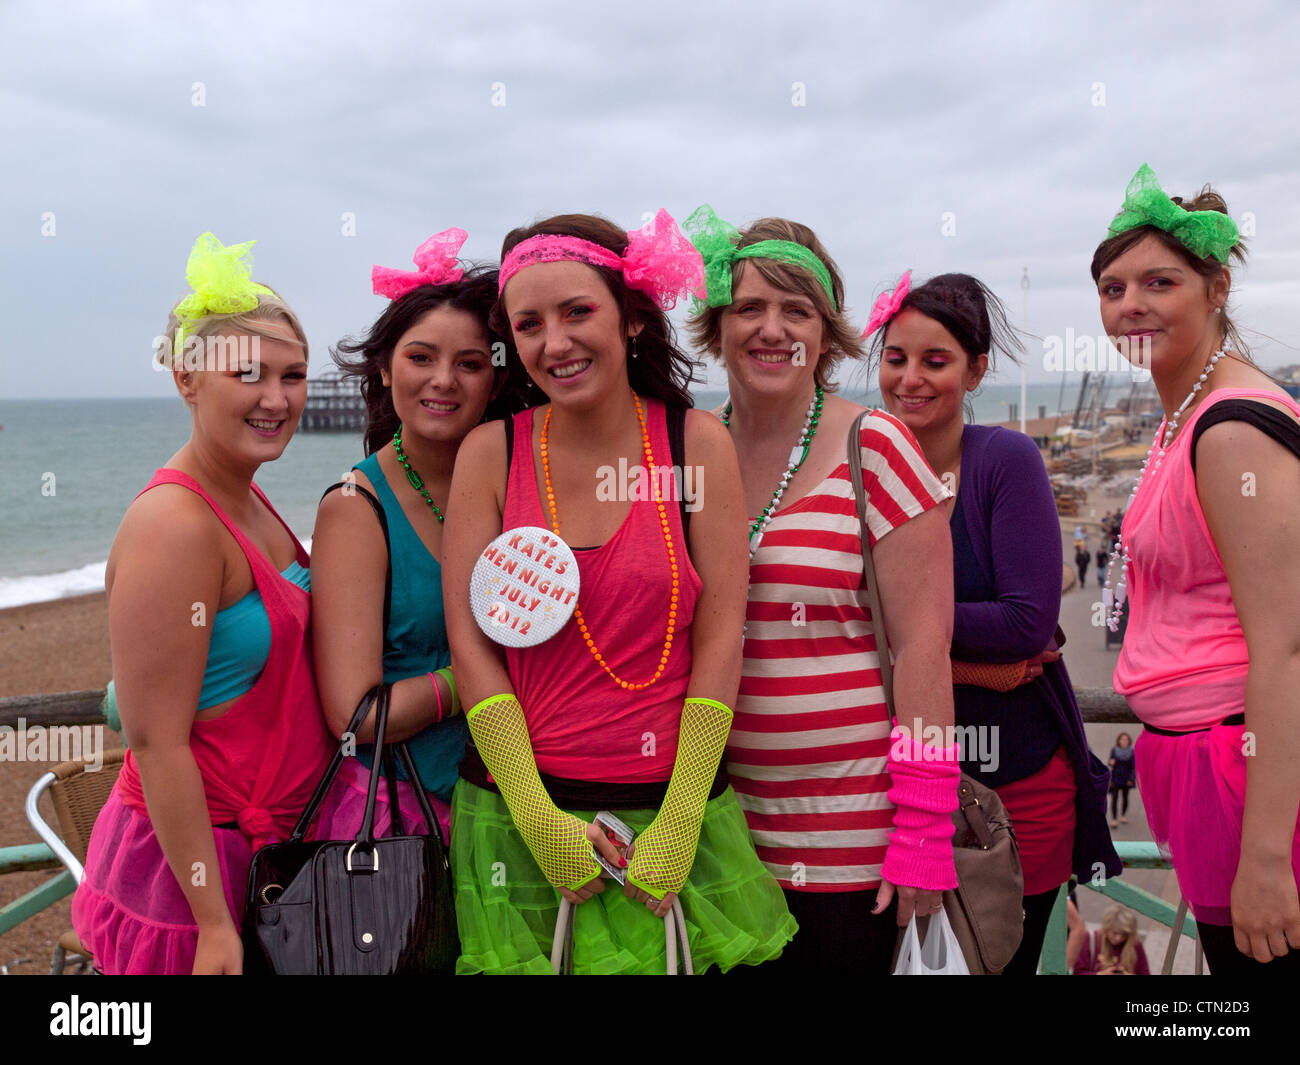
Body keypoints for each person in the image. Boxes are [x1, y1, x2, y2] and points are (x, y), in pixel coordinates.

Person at [441, 210, 796, 973]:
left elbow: (721, 631)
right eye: (529, 323)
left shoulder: (693, 444)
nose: (554, 343)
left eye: (578, 312)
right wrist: (536, 820)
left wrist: (680, 818)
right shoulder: (490, 453)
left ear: (631, 316)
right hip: (518, 826)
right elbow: (470, 644)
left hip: (673, 822)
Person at [684, 208, 960, 973]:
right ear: (718, 326)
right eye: (750, 308)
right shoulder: (690, 451)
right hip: (719, 845)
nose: (772, 329)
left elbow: (923, 647)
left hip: (854, 853)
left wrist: (924, 834)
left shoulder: (875, 446)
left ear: (826, 333)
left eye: (796, 310)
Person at [70, 233, 335, 974]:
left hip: (273, 854)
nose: (277, 398)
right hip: (196, 873)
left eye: (294, 375)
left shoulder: (249, 497)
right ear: (188, 378)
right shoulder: (174, 526)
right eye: (248, 374)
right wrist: (213, 920)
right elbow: (156, 741)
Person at [873, 270, 1119, 975]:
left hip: (1014, 786)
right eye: (896, 358)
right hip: (892, 788)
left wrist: (891, 626)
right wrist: (953, 651)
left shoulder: (1004, 461)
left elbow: (1025, 622)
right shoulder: (860, 465)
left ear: (976, 369)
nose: (910, 379)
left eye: (936, 360)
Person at [1098, 164, 1300, 973]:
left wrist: (1264, 859)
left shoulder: (1231, 430)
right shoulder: (1183, 414)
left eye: (1158, 282)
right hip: (1199, 763)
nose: (1129, 305)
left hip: (1241, 768)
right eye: (1112, 288)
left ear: (1216, 289)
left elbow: (1285, 649)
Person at [310, 231, 523, 842]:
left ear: (497, 378)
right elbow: (354, 718)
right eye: (420, 357)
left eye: (471, 364)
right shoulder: (356, 508)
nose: (444, 381)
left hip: (526, 799)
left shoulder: (525, 481)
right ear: (384, 367)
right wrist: (477, 678)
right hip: (413, 819)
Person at [1073, 905, 1150, 975]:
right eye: (1115, 933)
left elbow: (1145, 972)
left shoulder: (1135, 944)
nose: (1119, 938)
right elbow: (1077, 972)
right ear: (1106, 928)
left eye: (1124, 934)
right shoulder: (1091, 940)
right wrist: (1101, 974)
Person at [1108, 731, 1136, 827]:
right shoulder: (1114, 750)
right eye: (1122, 739)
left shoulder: (1132, 751)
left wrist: (1131, 779)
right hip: (1116, 777)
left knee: (1125, 797)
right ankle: (1114, 819)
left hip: (1127, 778)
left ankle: (1123, 815)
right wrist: (1111, 762)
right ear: (1119, 741)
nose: (1124, 741)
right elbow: (1110, 762)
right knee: (1114, 798)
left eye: (1126, 739)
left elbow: (1134, 767)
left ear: (1129, 741)